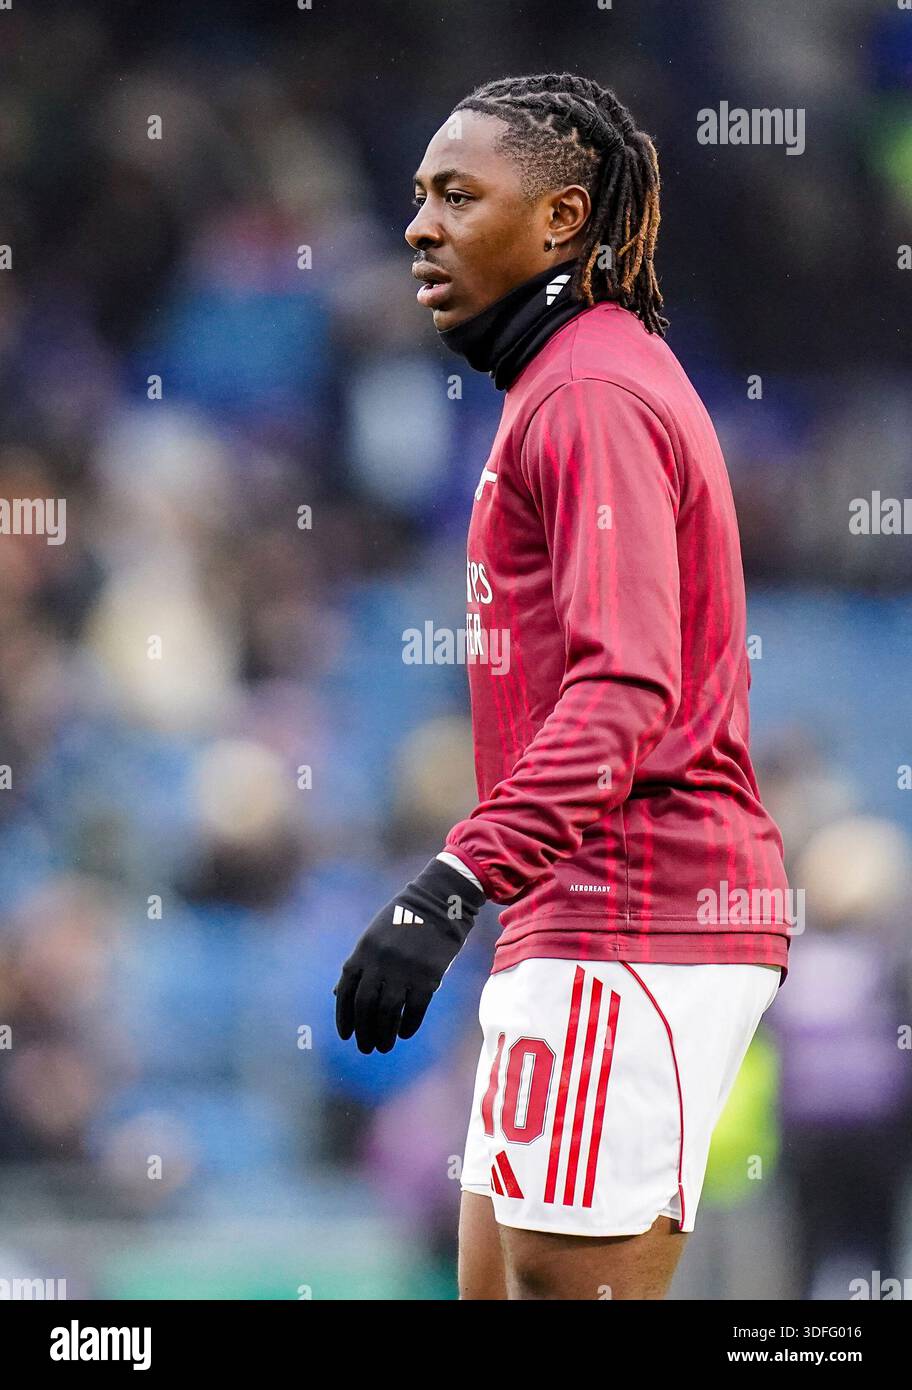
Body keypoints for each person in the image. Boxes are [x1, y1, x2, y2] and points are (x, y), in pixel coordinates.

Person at [335, 72, 791, 1301]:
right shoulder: (559, 385)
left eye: (457, 194)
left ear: (561, 220)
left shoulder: (589, 388)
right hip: (578, 908)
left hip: (637, 905)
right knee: (500, 1287)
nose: (420, 226)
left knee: (556, 1292)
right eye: (419, 197)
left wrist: (452, 883)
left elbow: (626, 684)